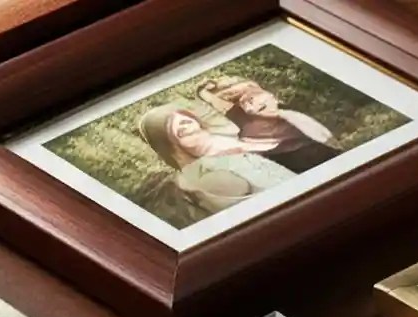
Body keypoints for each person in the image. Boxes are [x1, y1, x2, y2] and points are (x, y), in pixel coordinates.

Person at [136, 104, 295, 226]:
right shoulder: (205, 176)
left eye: (186, 120)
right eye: (179, 130)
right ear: (171, 146)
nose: (186, 126)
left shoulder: (230, 144)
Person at [197, 77, 341, 173]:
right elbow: (216, 102)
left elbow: (324, 137)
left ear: (273, 96)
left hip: (314, 153)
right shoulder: (246, 122)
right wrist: (204, 91)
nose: (251, 103)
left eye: (253, 97)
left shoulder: (292, 116)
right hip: (283, 163)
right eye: (245, 102)